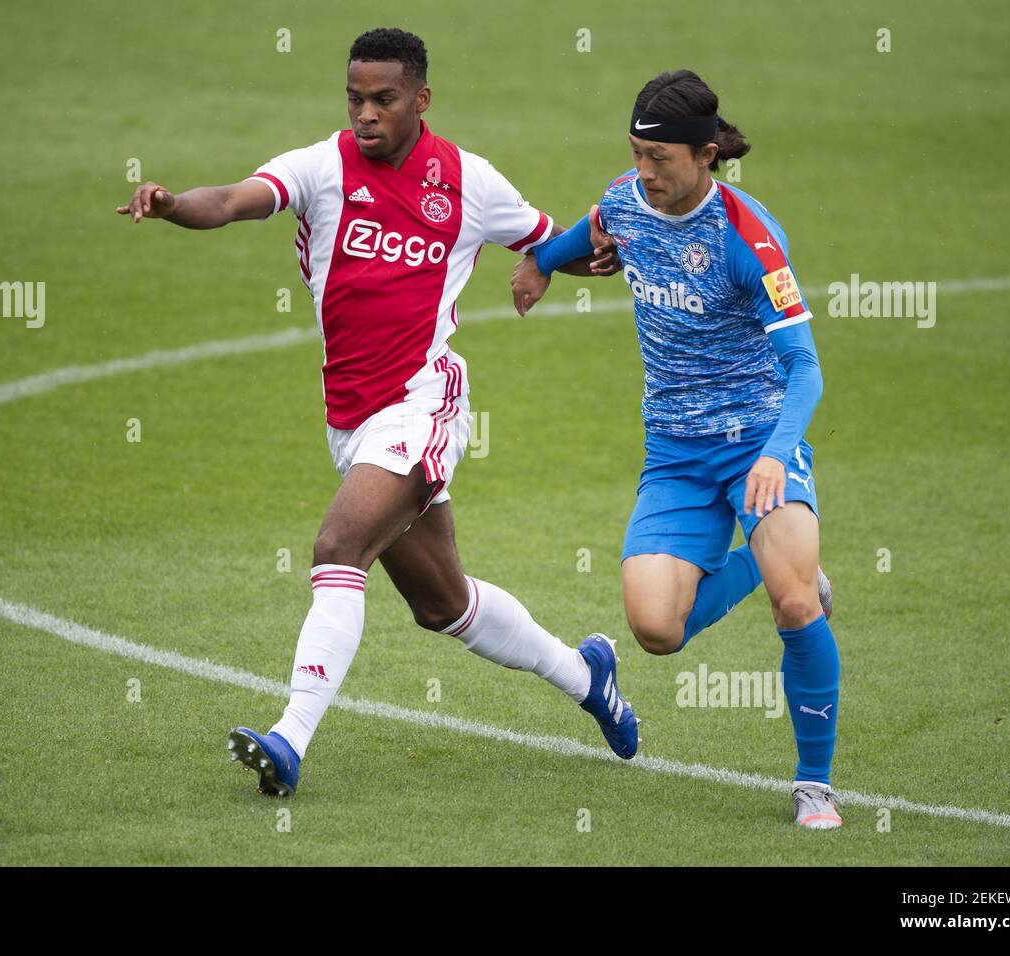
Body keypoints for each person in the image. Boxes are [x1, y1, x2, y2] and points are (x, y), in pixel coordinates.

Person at [117, 28, 639, 797]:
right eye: (355, 98)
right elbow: (230, 201)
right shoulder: (321, 168)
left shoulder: (467, 179)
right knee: (443, 605)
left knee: (337, 546)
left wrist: (588, 256)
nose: (366, 114)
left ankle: (289, 740)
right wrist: (170, 206)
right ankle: (588, 675)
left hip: (424, 403)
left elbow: (546, 241)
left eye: (383, 99)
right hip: (353, 422)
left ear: (420, 100)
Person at [511, 69, 842, 828]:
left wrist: (775, 453)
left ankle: (814, 785)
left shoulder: (750, 239)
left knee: (797, 604)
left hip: (759, 440)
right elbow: (592, 227)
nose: (644, 172)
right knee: (656, 629)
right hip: (675, 450)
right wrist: (543, 265)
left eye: (658, 160)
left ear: (706, 153)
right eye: (635, 154)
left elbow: (806, 368)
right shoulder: (630, 200)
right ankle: (775, 564)